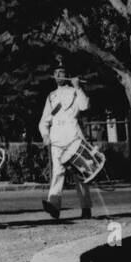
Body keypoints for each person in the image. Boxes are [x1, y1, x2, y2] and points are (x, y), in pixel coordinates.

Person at [39, 56, 93, 220]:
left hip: (73, 137)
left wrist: (77, 87)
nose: (59, 75)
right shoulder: (51, 96)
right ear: (54, 76)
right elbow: (44, 121)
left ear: (67, 75)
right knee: (57, 173)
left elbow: (84, 106)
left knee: (80, 173)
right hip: (57, 139)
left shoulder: (74, 92)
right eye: (57, 73)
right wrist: (45, 135)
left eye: (62, 72)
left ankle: (86, 207)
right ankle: (54, 206)